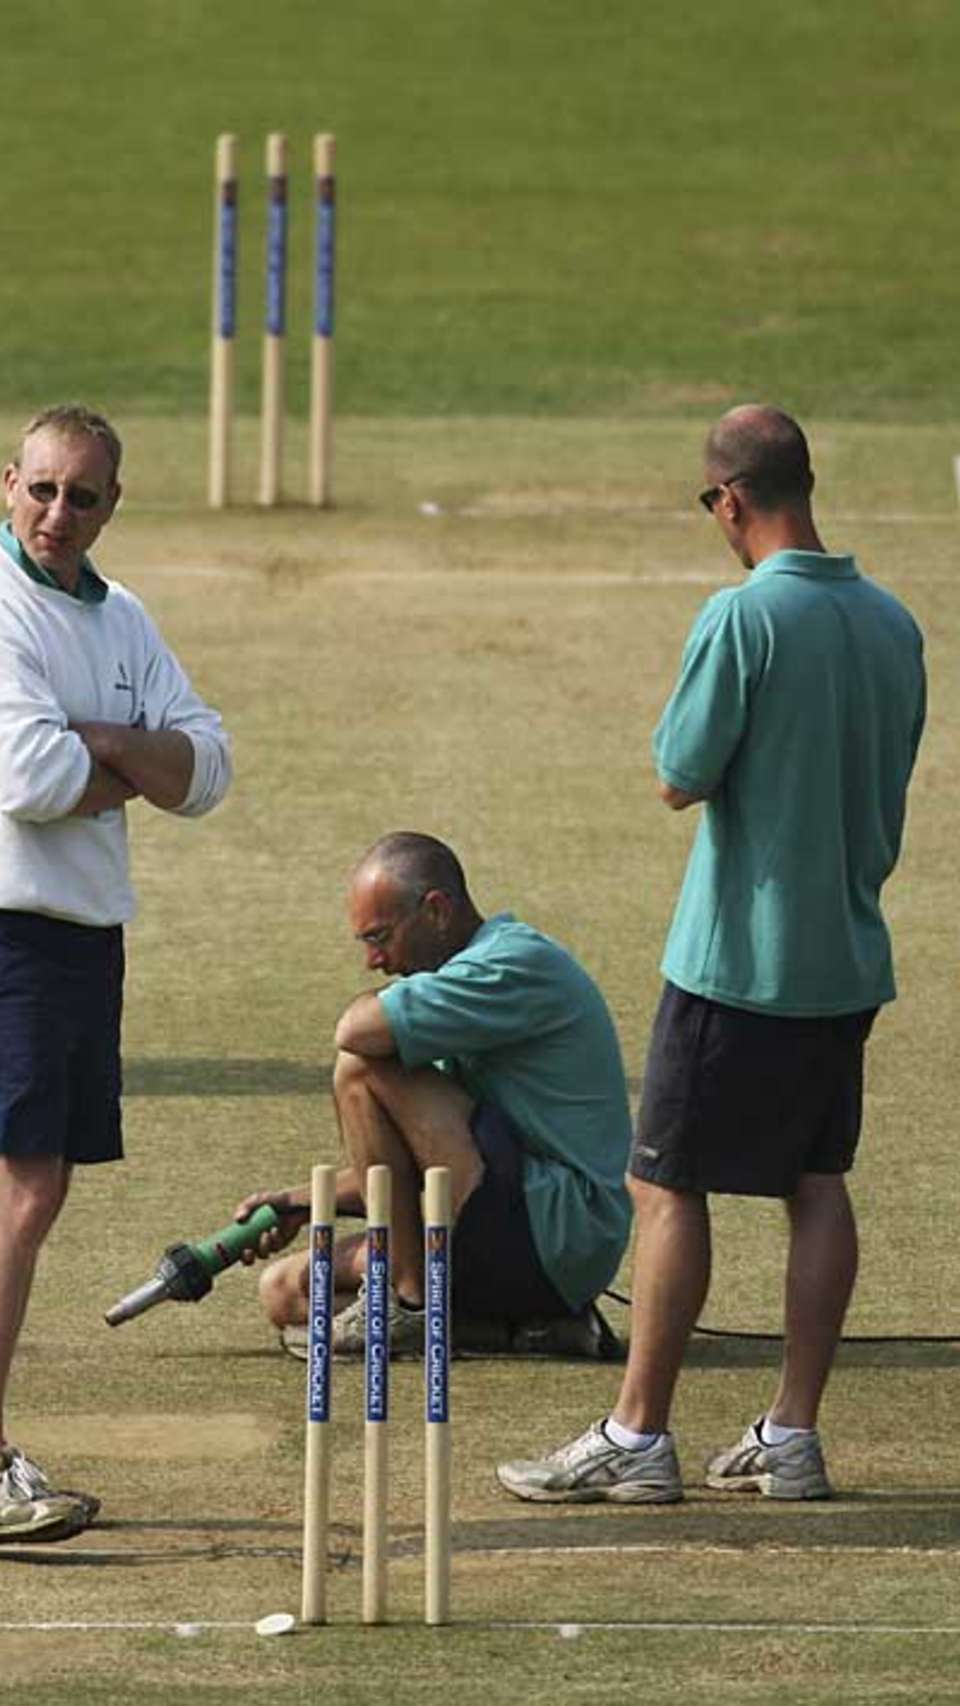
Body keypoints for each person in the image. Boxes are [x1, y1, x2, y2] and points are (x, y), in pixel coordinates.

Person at [498, 404, 926, 1506]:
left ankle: (638, 1434)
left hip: (738, 960)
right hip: (846, 957)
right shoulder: (894, 624)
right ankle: (792, 1432)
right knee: (815, 1181)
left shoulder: (742, 620)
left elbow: (679, 770)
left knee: (664, 1181)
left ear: (730, 500)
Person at [0, 404, 232, 1542]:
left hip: (79, 931)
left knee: (35, 1183)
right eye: (41, 489)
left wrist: (110, 746)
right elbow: (28, 777)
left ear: (110, 503)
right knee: (22, 1181)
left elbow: (210, 763)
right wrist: (121, 754)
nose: (57, 513)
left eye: (82, 496)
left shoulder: (121, 615)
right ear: (8, 482)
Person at [236, 832, 632, 1359]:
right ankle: (529, 1329)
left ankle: (411, 1304)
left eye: (380, 937)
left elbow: (355, 1032)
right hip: (509, 1223)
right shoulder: (454, 986)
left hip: (553, 1237)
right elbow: (425, 1159)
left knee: (361, 1066)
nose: (373, 960)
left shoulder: (509, 964)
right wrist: (301, 1202)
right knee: (286, 1291)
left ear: (437, 911)